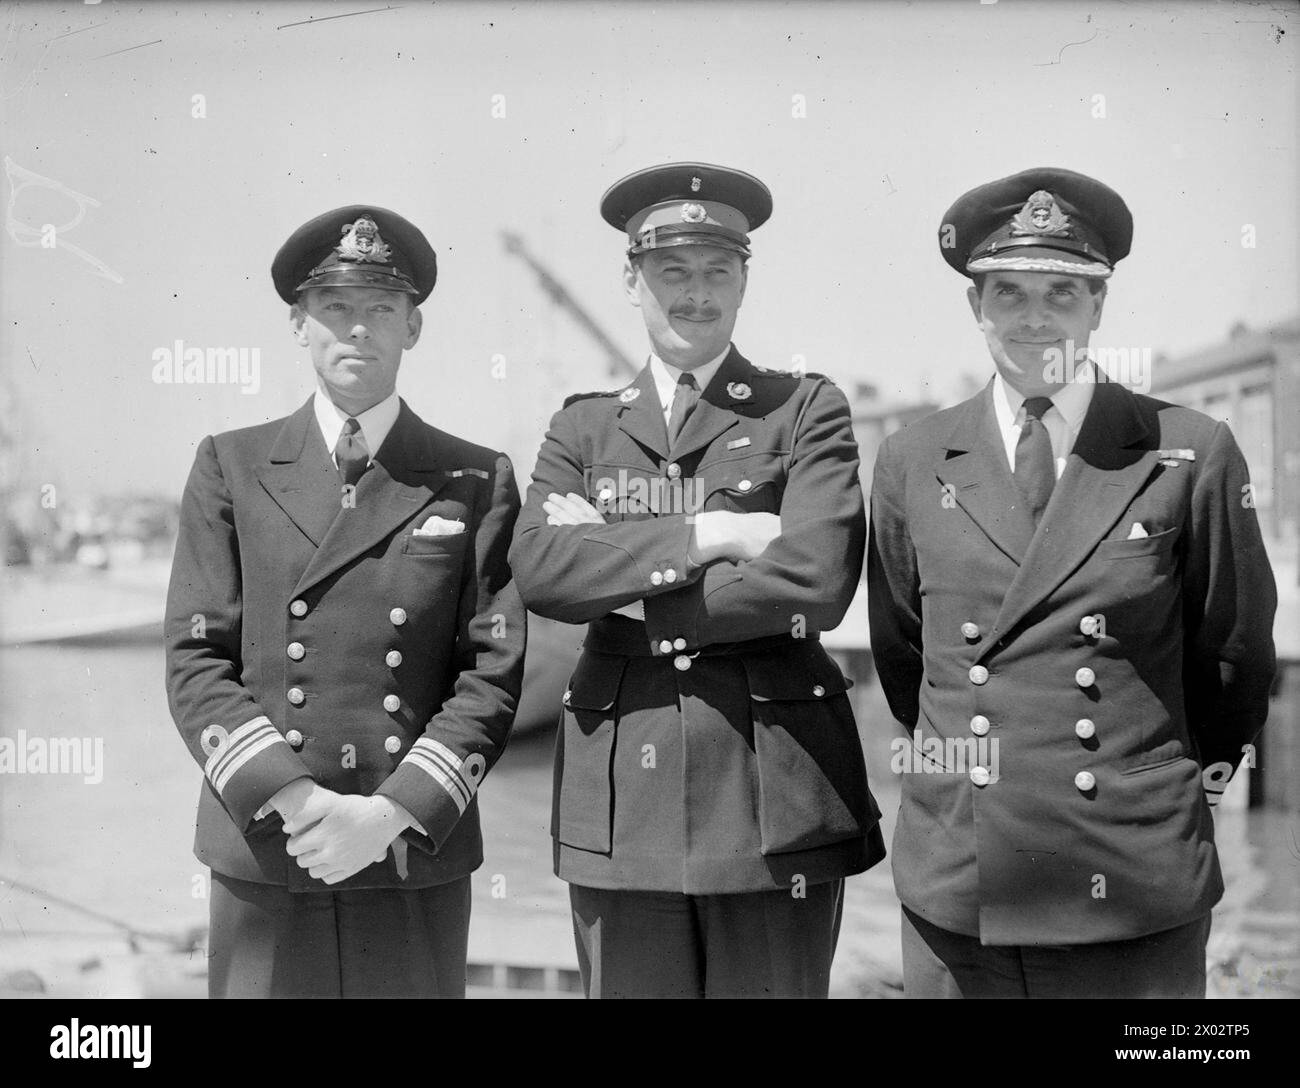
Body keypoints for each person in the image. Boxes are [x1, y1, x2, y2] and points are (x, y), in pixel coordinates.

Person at [867, 167, 1277, 998]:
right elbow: (903, 653)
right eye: (1009, 293)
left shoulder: (1187, 450)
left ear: (1099, 306)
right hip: (964, 879)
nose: (1034, 317)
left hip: (1127, 878)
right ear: (975, 307)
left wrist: (1162, 789)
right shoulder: (913, 458)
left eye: (1063, 291)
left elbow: (1232, 659)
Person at [509, 162, 884, 998]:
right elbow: (540, 571)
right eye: (672, 271)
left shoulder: (803, 409)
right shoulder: (584, 424)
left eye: (718, 271)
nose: (696, 293)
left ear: (745, 280)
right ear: (631, 279)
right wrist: (714, 533)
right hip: (620, 805)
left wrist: (621, 570)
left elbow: (818, 580)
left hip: (772, 797)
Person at [164, 205, 525, 997]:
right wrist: (292, 797)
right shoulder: (231, 464)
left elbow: (491, 672)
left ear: (413, 327)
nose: (358, 329)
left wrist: (387, 814)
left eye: (381, 309)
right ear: (299, 324)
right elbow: (196, 656)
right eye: (336, 307)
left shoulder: (474, 478)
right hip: (267, 844)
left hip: (408, 852)